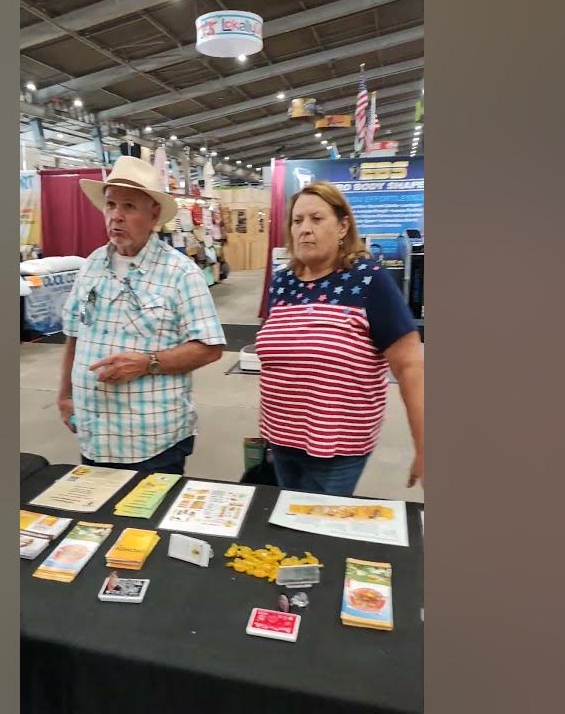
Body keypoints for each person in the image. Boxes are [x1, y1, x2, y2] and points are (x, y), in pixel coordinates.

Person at [57, 156, 226, 474]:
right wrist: (65, 396)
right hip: (94, 435)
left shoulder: (180, 273)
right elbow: (74, 334)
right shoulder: (91, 265)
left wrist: (148, 363)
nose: (116, 217)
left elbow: (210, 347)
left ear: (155, 214)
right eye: (110, 205)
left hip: (152, 444)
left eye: (129, 207)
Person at [255, 182, 424, 494]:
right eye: (297, 220)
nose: (304, 229)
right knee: (285, 527)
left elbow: (410, 366)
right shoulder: (281, 283)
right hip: (280, 439)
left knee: (316, 531)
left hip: (336, 446)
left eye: (316, 219)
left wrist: (424, 445)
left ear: (343, 226)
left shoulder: (368, 280)